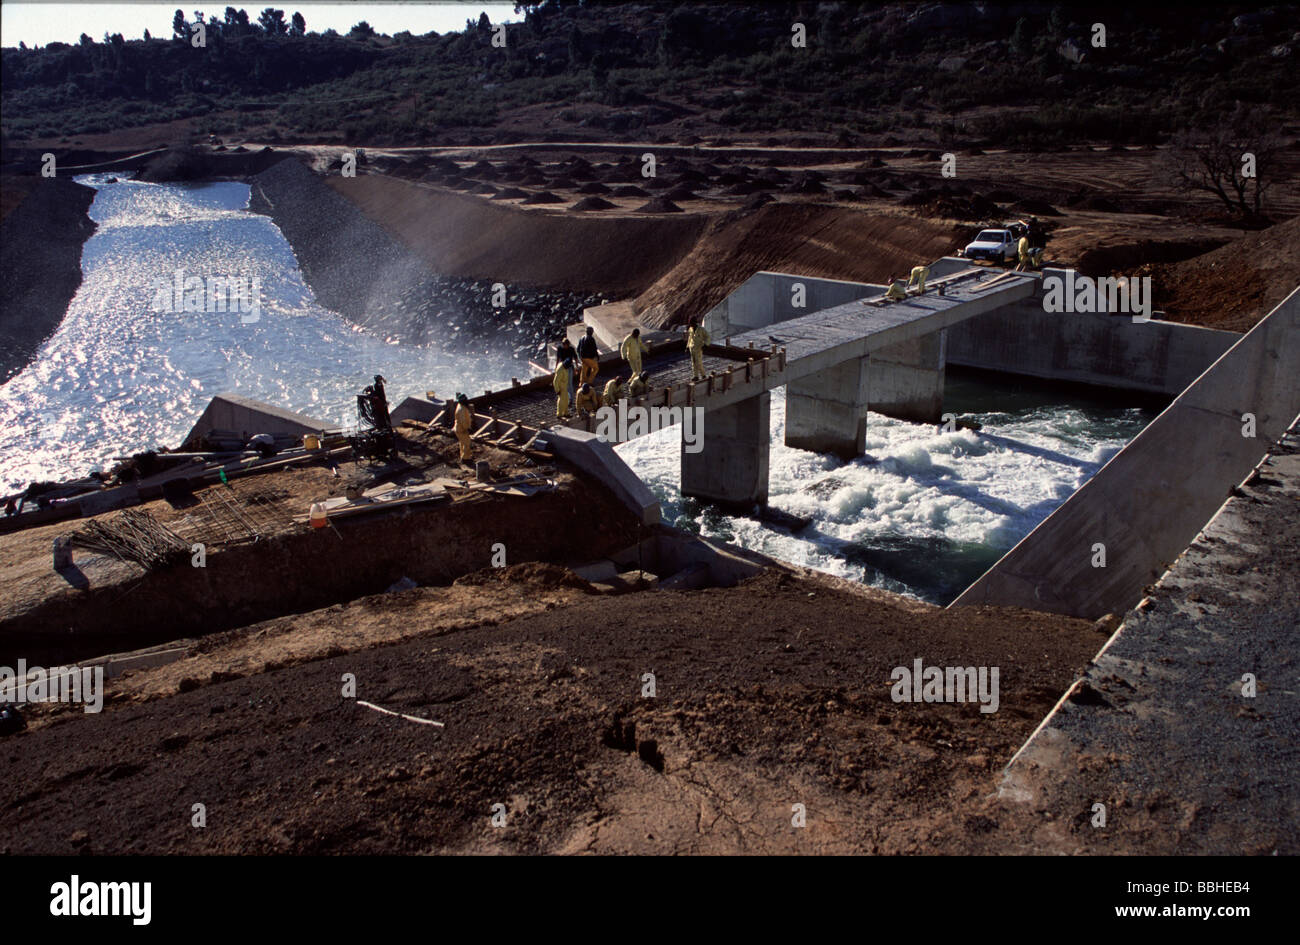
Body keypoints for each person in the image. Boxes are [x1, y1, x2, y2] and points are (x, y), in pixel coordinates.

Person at [454, 393, 474, 464]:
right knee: (467, 443)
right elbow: (463, 420)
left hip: (458, 428)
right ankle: (466, 459)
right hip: (462, 429)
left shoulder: (459, 406)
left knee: (462, 443)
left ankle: (463, 456)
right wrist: (468, 428)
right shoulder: (462, 409)